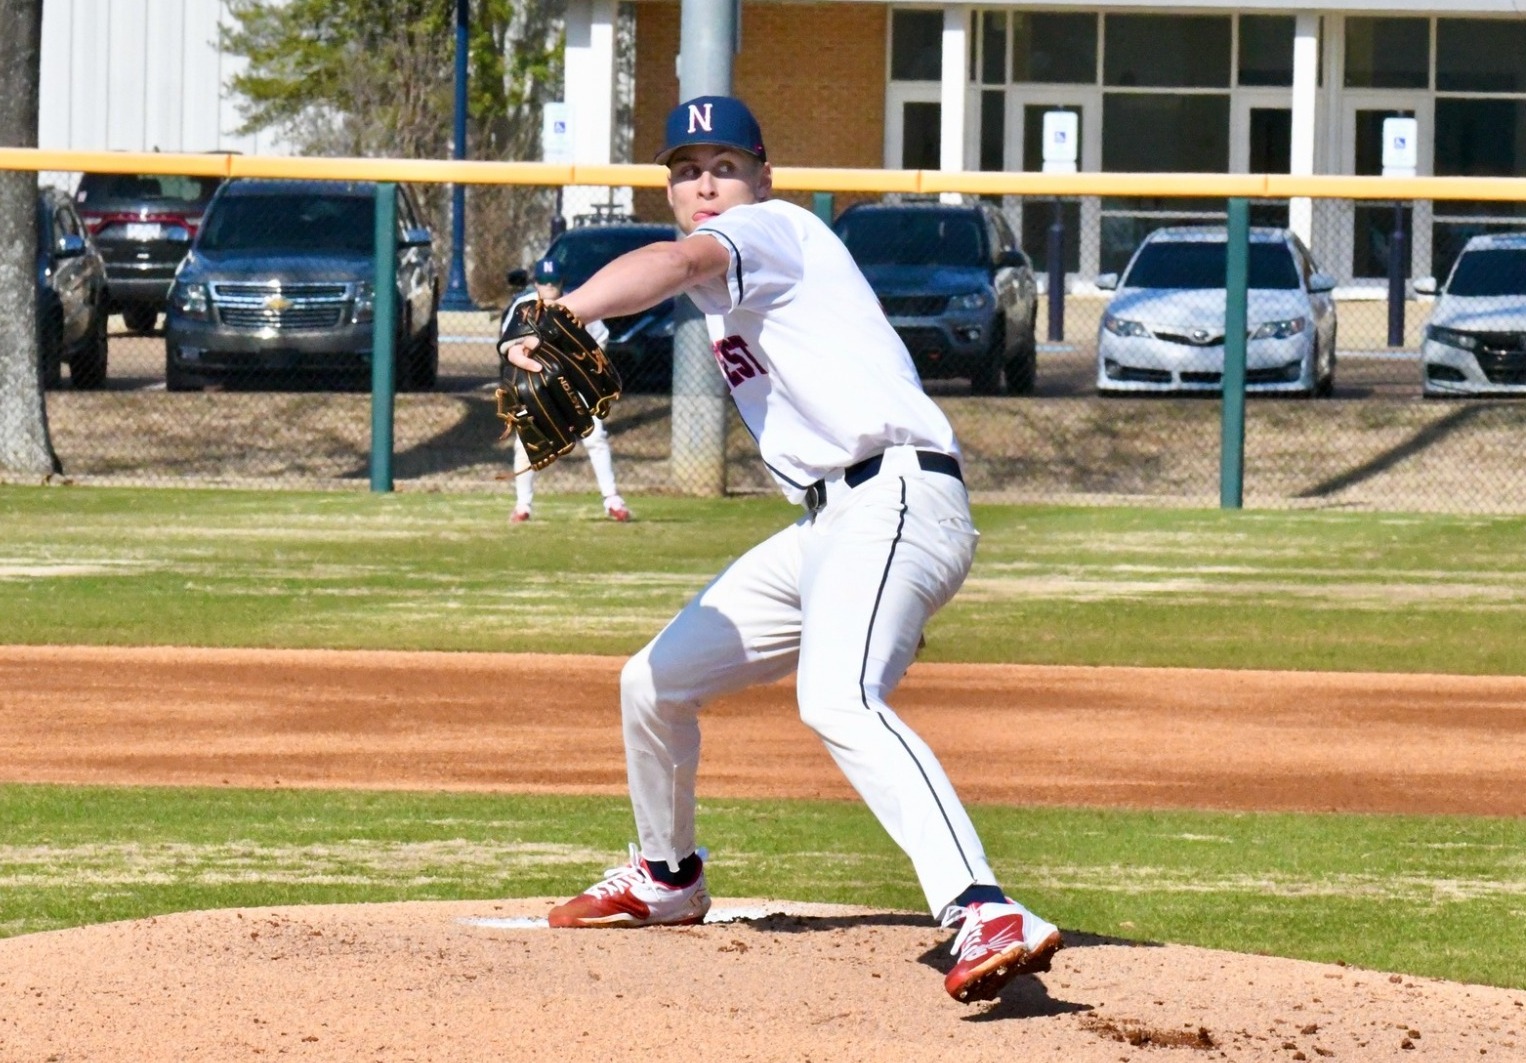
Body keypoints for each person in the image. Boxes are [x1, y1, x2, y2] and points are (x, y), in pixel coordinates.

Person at [499, 95, 1062, 1003]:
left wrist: (560, 307)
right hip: (830, 524)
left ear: (764, 175)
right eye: (687, 170)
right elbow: (670, 275)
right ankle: (667, 873)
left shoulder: (773, 230)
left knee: (838, 697)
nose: (706, 184)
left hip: (900, 497)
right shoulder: (729, 286)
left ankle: (983, 905)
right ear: (670, 186)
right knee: (654, 681)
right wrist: (582, 327)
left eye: (724, 164)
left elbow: (676, 261)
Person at [500, 258, 631, 523]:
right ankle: (523, 505)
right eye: (543, 282)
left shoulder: (578, 304)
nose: (549, 287)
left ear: (562, 283)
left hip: (574, 385)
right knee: (527, 442)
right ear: (534, 283)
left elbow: (599, 343)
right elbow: (507, 345)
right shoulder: (521, 308)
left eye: (554, 282)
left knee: (595, 437)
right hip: (537, 385)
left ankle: (612, 499)